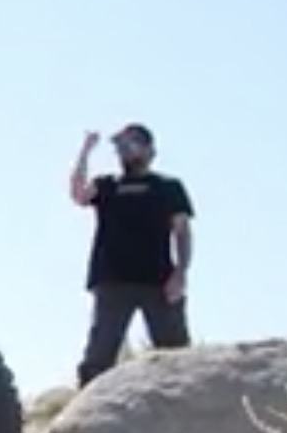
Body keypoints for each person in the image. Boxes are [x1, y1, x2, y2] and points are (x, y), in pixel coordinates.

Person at [67, 123, 195, 386]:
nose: (124, 151)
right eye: (119, 146)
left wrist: (180, 273)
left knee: (177, 355)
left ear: (149, 150)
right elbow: (79, 193)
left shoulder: (168, 187)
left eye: (131, 144)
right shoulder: (107, 185)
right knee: (99, 356)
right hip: (113, 280)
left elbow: (182, 231)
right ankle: (88, 410)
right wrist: (85, 152)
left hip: (158, 280)